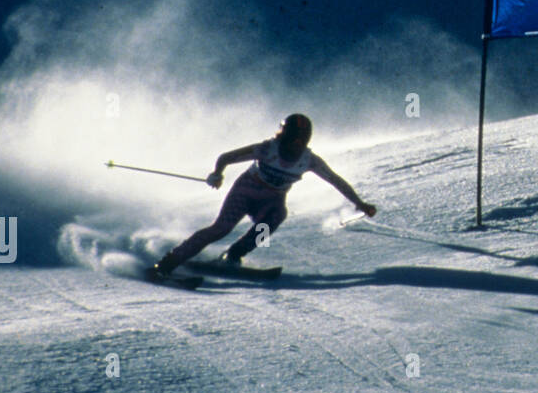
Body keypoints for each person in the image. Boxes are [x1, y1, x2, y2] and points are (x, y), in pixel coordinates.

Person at [149, 113, 376, 279]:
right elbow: (226, 157)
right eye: (290, 141)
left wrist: (359, 203)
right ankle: (168, 263)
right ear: (283, 136)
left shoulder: (309, 161)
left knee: (276, 217)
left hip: (270, 201)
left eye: (299, 142)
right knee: (221, 228)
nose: (293, 147)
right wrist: (218, 173)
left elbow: (336, 181)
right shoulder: (269, 149)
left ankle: (235, 255)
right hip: (245, 192)